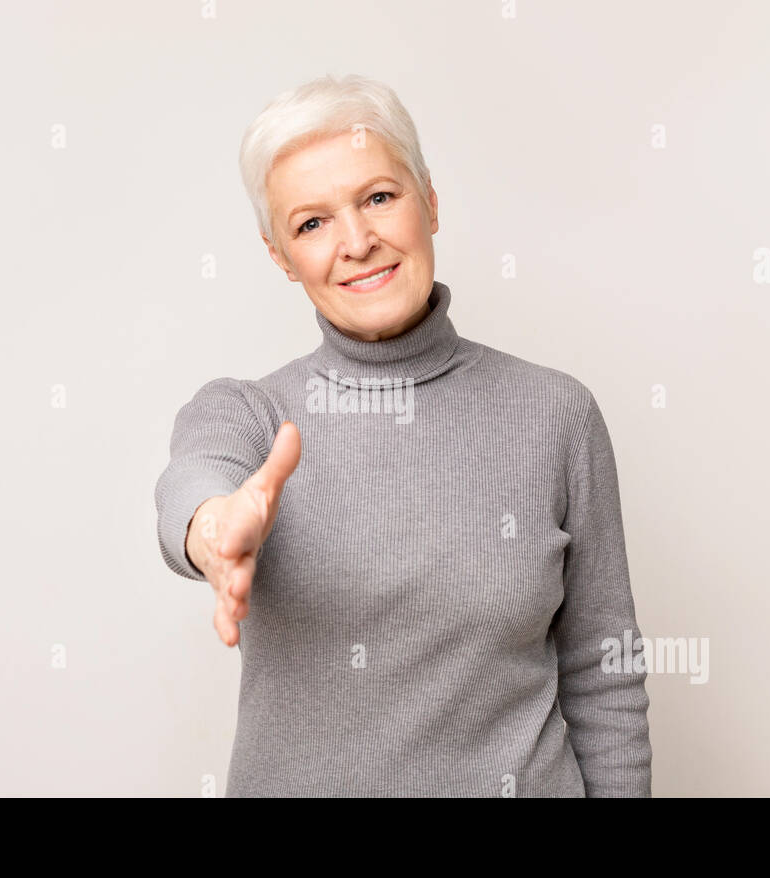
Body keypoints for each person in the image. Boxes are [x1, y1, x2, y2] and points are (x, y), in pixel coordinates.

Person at [154, 73, 651, 797]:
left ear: (431, 203)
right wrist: (213, 528)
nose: (357, 242)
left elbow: (605, 674)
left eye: (379, 197)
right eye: (311, 223)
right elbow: (194, 480)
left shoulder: (556, 415)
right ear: (280, 257)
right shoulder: (252, 415)